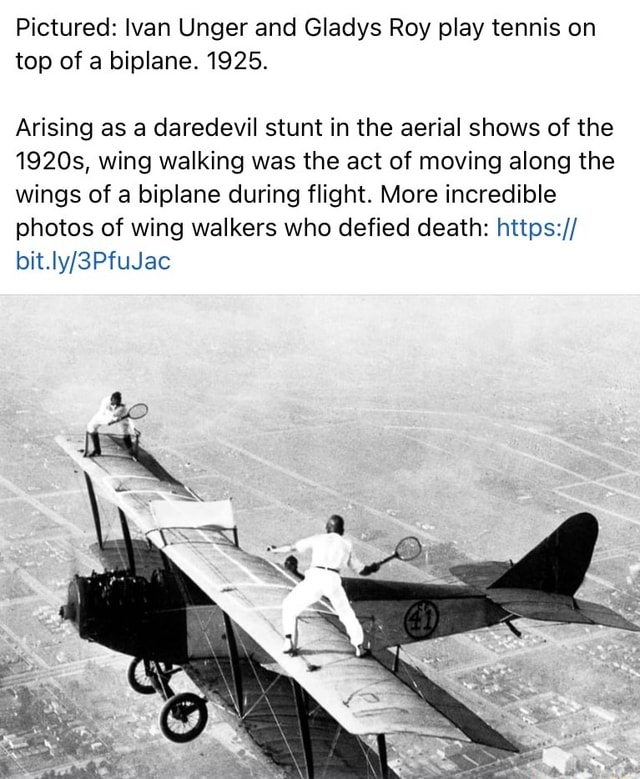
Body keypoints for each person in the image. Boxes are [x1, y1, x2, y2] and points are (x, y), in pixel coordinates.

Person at [268, 515, 379, 657]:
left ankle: (289, 641)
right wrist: (372, 568)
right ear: (342, 530)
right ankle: (359, 647)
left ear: (327, 528)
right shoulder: (347, 545)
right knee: (347, 614)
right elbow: (361, 570)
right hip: (333, 579)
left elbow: (292, 547)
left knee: (289, 605)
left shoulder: (318, 538)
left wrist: (275, 550)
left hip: (315, 577)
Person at [85, 391, 135, 456]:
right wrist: (112, 419)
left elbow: (130, 418)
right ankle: (97, 450)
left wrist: (134, 429)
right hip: (107, 416)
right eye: (114, 401)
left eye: (118, 402)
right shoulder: (105, 401)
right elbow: (103, 415)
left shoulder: (124, 407)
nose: (116, 404)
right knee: (91, 426)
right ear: (111, 399)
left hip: (121, 416)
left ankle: (131, 450)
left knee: (124, 432)